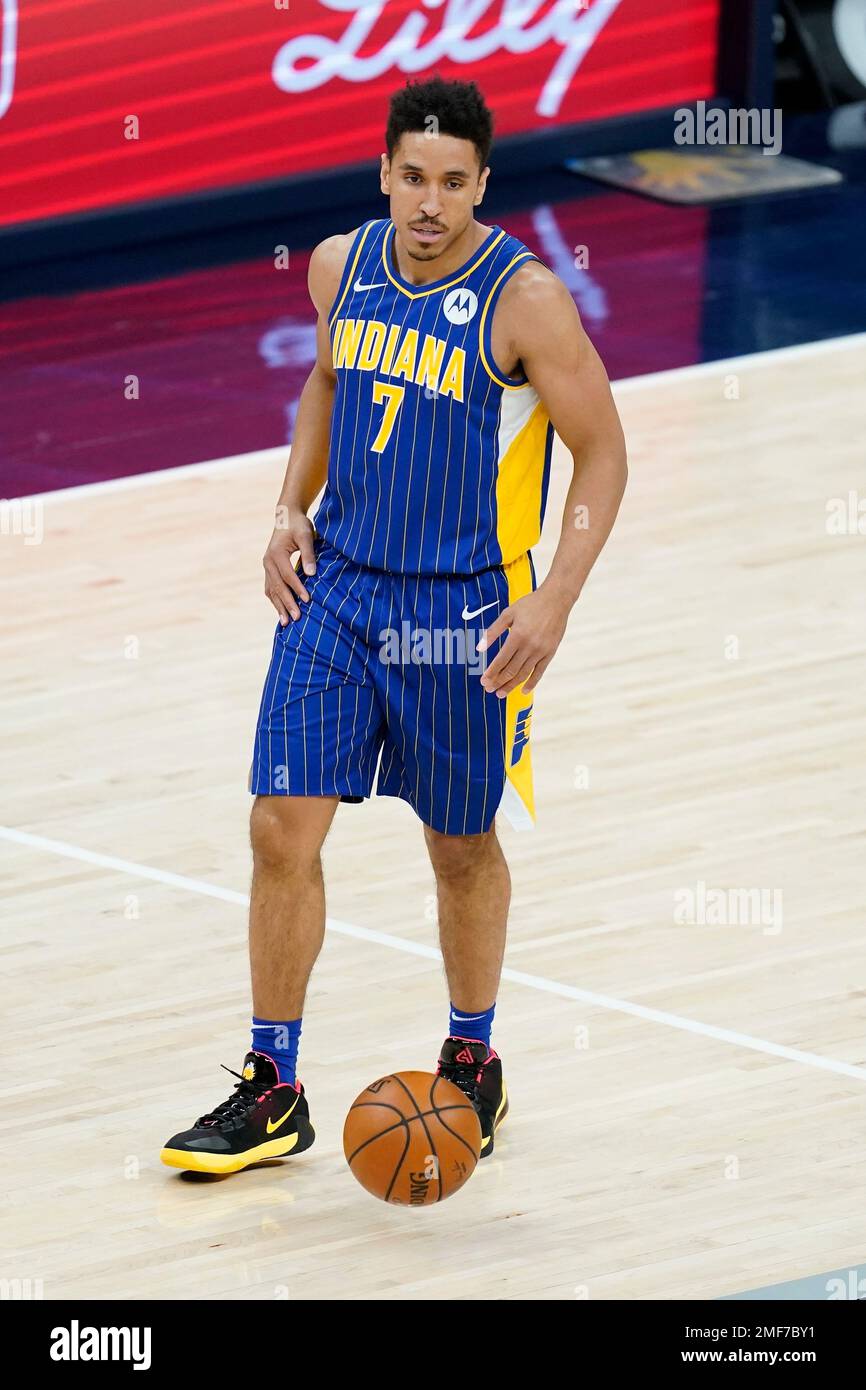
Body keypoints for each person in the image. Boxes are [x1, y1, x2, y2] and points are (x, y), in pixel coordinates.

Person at [161, 75, 627, 1176]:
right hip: (339, 592)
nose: (428, 202)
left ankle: (472, 1058)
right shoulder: (340, 266)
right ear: (382, 171)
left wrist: (552, 598)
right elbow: (326, 382)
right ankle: (273, 1084)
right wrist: (287, 507)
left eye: (451, 183)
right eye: (410, 177)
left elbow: (602, 452)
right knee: (280, 828)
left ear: (481, 186)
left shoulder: (526, 302)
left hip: (463, 612)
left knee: (458, 846)